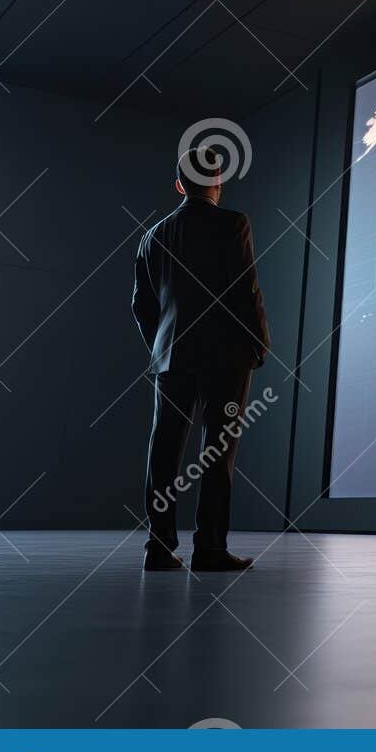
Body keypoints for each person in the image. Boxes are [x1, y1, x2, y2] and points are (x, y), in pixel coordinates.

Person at [132, 147, 270, 572]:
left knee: (164, 450)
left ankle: (158, 547)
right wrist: (259, 343)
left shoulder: (152, 235)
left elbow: (142, 305)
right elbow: (245, 289)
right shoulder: (233, 224)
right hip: (226, 355)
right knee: (218, 450)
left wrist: (161, 346)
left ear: (179, 185)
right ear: (218, 181)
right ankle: (209, 548)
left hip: (171, 357)